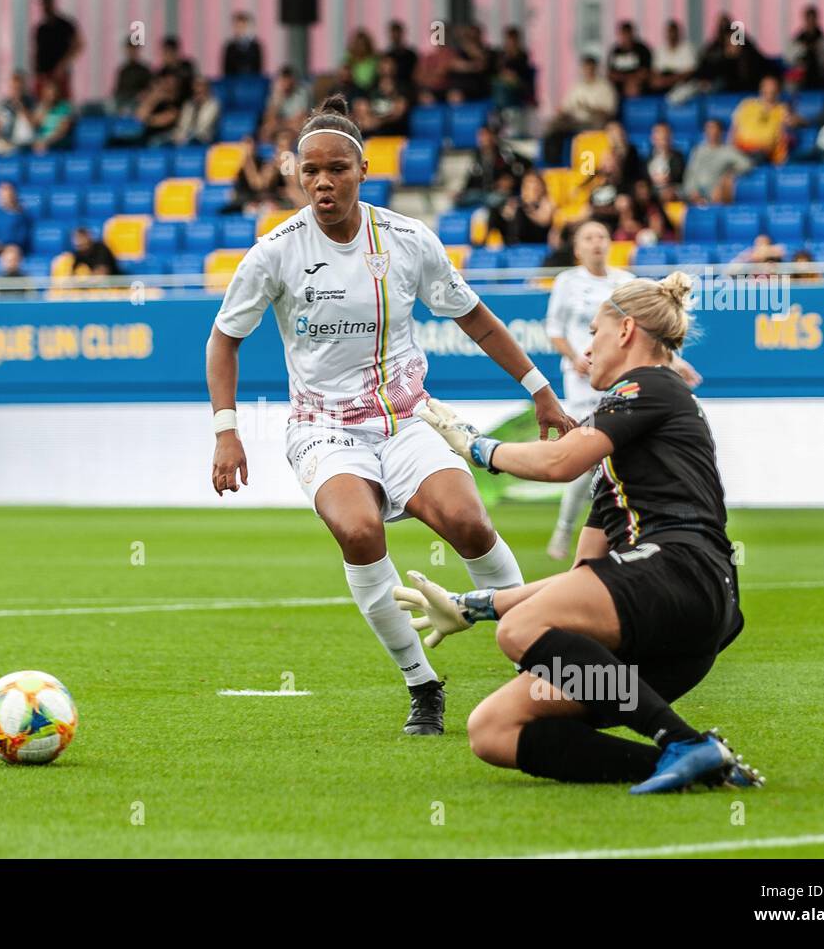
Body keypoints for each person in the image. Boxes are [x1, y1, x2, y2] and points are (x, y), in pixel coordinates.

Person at [206, 95, 573, 736]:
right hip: (324, 428)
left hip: (407, 418)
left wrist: (540, 388)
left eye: (337, 168)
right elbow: (223, 340)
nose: (323, 181)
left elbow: (477, 320)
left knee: (466, 520)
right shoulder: (274, 252)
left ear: (363, 169)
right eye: (310, 170)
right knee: (358, 531)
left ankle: (537, 661)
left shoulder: (407, 240)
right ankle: (422, 683)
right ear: (296, 174)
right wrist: (226, 431)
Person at [395, 271, 762, 794]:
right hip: (675, 615)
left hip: (684, 576)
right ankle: (691, 768)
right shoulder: (622, 452)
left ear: (626, 330)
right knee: (493, 730)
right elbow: (584, 578)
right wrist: (471, 604)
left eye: (594, 331)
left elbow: (561, 461)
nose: (585, 348)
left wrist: (476, 447)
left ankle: (684, 742)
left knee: (520, 631)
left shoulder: (652, 385)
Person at [542, 221, 635, 558]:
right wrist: (574, 357)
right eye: (589, 238)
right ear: (577, 249)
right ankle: (565, 528)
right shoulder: (567, 282)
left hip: (617, 379)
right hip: (581, 382)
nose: (597, 243)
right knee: (588, 456)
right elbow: (554, 330)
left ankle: (619, 533)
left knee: (618, 458)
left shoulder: (625, 281)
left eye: (602, 236)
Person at [542, 56, 617, 165]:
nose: (588, 71)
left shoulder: (605, 87)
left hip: (594, 122)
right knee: (553, 125)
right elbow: (565, 107)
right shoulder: (577, 87)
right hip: (574, 121)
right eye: (585, 68)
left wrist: (590, 108)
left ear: (596, 68)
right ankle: (552, 163)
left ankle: (589, 166)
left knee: (598, 122)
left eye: (590, 68)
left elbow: (609, 112)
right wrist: (561, 114)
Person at [682, 118, 752, 203]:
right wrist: (692, 192)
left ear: (720, 131)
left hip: (715, 196)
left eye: (714, 128)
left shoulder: (728, 150)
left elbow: (747, 164)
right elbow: (690, 173)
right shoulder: (698, 151)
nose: (711, 132)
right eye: (708, 129)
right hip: (694, 196)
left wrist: (729, 174)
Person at [730, 74, 792, 164]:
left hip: (763, 151)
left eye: (773, 87)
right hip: (741, 148)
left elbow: (789, 128)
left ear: (778, 90)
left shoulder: (782, 109)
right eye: (767, 87)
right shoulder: (747, 104)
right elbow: (734, 128)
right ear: (761, 89)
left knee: (756, 156)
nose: (770, 90)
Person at [33, 0, 82, 98]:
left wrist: (63, 64)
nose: (45, 8)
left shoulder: (65, 25)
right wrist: (36, 72)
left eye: (48, 5)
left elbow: (79, 44)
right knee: (42, 101)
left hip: (59, 72)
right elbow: (37, 51)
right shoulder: (41, 28)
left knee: (62, 100)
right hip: (43, 72)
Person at [260, 65, 310, 141]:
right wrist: (279, 98)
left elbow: (301, 116)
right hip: (282, 124)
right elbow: (269, 117)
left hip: (294, 125)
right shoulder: (275, 93)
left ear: (293, 80)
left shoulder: (302, 92)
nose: (286, 84)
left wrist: (281, 124)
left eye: (288, 80)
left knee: (299, 125)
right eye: (283, 80)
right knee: (266, 129)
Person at [786, 5, 824, 90]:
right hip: (801, 73)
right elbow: (789, 58)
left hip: (819, 72)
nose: (810, 22)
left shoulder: (823, 39)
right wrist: (803, 49)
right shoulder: (798, 39)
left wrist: (816, 49)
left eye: (813, 19)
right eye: (808, 19)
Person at [606, 21, 653, 98]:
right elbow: (610, 74)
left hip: (638, 83)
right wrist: (625, 79)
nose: (625, 37)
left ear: (632, 34)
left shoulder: (642, 49)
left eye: (627, 34)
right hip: (620, 83)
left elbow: (644, 72)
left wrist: (630, 79)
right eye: (623, 34)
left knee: (633, 86)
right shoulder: (615, 51)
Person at [650, 19, 696, 94]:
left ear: (678, 33)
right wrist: (661, 80)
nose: (671, 35)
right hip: (663, 83)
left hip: (682, 83)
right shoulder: (660, 50)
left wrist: (670, 80)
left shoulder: (688, 49)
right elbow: (655, 71)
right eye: (669, 32)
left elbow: (690, 72)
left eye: (673, 32)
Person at [173, 75, 221, 145]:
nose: (198, 92)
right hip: (185, 137)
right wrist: (180, 135)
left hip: (205, 138)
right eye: (195, 91)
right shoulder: (189, 104)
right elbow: (183, 125)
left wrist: (187, 136)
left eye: (200, 88)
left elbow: (204, 127)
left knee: (194, 139)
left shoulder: (214, 104)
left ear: (207, 89)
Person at [644, 122, 685, 201]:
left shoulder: (677, 156)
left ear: (670, 138)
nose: (662, 141)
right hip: (652, 189)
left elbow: (677, 175)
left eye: (665, 137)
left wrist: (667, 179)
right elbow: (644, 177)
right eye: (659, 137)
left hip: (672, 188)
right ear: (653, 139)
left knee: (668, 193)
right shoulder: (648, 158)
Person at [112, 38, 153, 115]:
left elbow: (150, 89)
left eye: (133, 49)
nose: (131, 52)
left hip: (137, 103)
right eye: (129, 49)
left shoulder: (144, 70)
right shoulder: (123, 70)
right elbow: (117, 90)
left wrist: (143, 95)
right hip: (122, 101)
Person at [222, 12, 262, 77]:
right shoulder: (230, 46)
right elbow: (226, 70)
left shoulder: (256, 46)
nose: (239, 29)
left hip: (251, 82)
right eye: (237, 26)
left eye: (242, 26)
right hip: (233, 82)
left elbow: (259, 69)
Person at [384, 21, 418, 90]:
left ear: (401, 34)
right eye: (393, 34)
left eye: (397, 33)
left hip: (408, 86)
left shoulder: (411, 55)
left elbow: (415, 74)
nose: (396, 36)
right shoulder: (387, 55)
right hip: (392, 86)